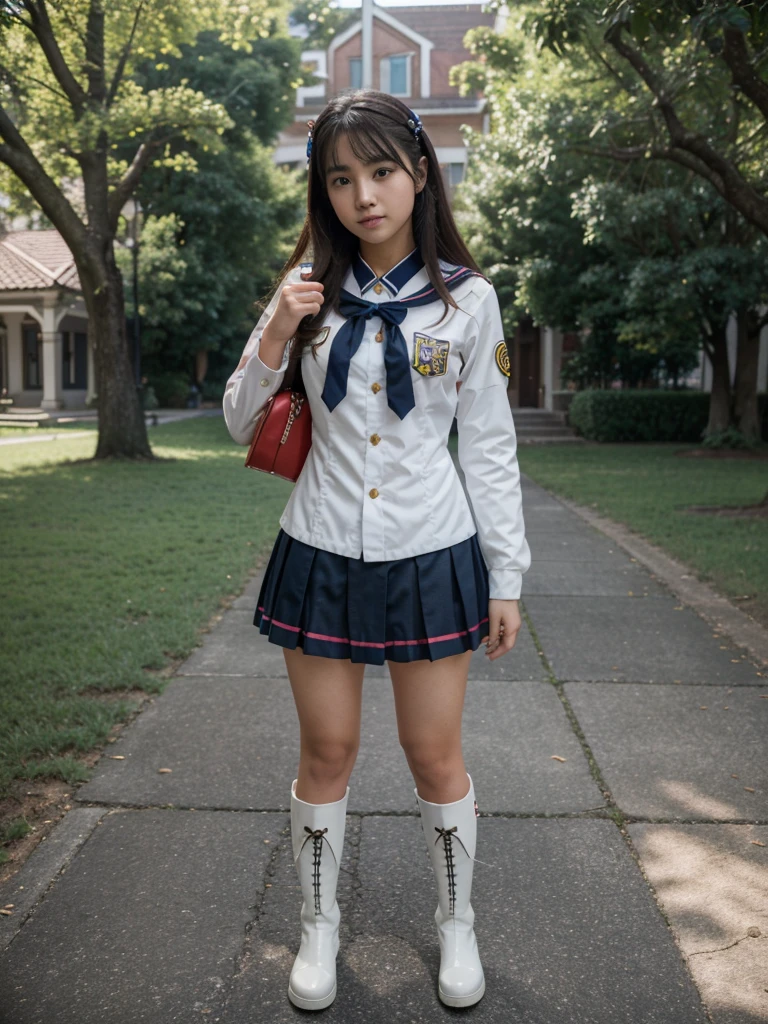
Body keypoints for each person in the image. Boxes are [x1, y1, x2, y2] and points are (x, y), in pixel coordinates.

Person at [223, 89, 531, 1012]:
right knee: (329, 748)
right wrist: (279, 327)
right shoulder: (307, 291)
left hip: (434, 552)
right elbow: (240, 418)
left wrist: (506, 577)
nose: (366, 195)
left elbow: (488, 444)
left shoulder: (469, 303)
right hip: (319, 549)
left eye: (383, 171)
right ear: (324, 192)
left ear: (421, 174)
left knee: (434, 753)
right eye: (343, 178)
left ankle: (456, 926)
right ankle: (318, 929)